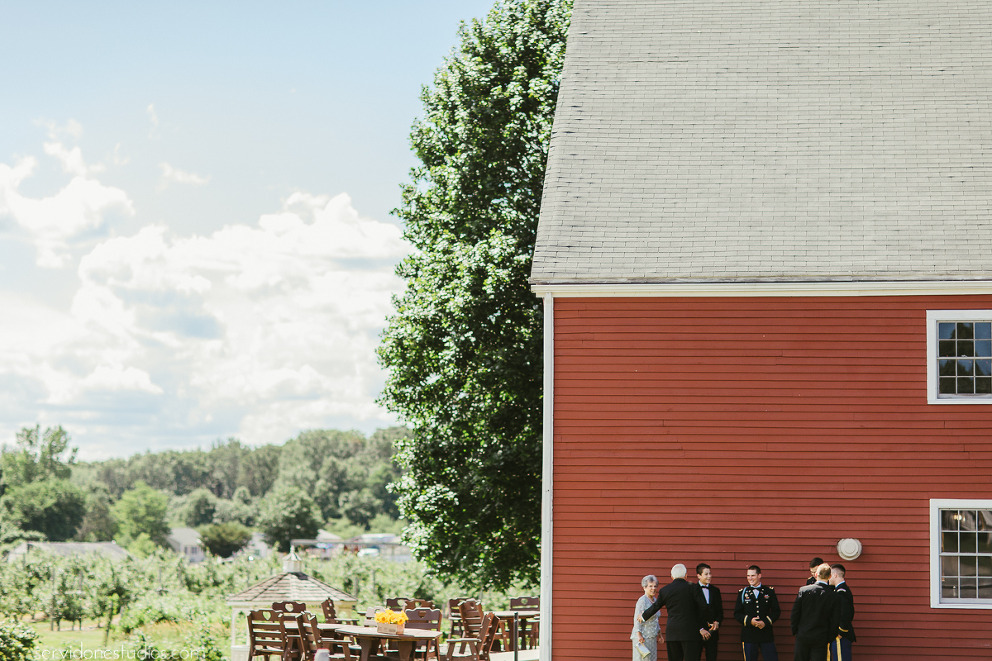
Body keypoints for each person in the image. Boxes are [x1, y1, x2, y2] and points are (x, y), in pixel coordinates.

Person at [641, 563, 709, 661]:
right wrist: (702, 626)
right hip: (691, 633)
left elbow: (656, 606)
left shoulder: (665, 590)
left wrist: (643, 616)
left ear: (672, 576)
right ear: (686, 575)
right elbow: (703, 607)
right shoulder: (694, 588)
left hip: (673, 633)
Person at [790, 564, 837, 661]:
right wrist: (829, 638)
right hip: (821, 637)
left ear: (816, 574)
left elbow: (795, 613)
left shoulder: (804, 590)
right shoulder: (833, 596)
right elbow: (835, 619)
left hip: (803, 635)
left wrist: (796, 631)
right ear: (829, 576)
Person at [734, 565, 781, 661]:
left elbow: (776, 611)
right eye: (748, 576)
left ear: (759, 575)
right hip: (749, 635)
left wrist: (765, 622)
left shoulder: (769, 592)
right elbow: (737, 613)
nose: (750, 578)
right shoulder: (743, 593)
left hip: (766, 634)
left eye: (753, 575)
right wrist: (749, 621)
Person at [632, 574, 665, 661]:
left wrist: (660, 635)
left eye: (655, 586)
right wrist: (639, 635)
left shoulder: (655, 601)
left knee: (652, 659)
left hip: (652, 636)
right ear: (644, 587)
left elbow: (655, 620)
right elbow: (637, 619)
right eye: (650, 586)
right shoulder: (642, 601)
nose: (653, 588)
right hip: (643, 638)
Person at [696, 563, 723, 661]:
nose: (709, 576)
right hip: (696, 633)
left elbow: (720, 611)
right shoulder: (692, 590)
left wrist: (717, 622)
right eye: (706, 574)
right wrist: (700, 629)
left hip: (712, 633)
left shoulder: (715, 590)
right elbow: (690, 613)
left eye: (710, 574)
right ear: (698, 575)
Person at [828, 564, 856, 661]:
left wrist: (841, 631)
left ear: (835, 575)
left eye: (829, 575)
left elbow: (846, 613)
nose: (828, 578)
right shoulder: (837, 590)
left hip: (841, 636)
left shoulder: (841, 591)